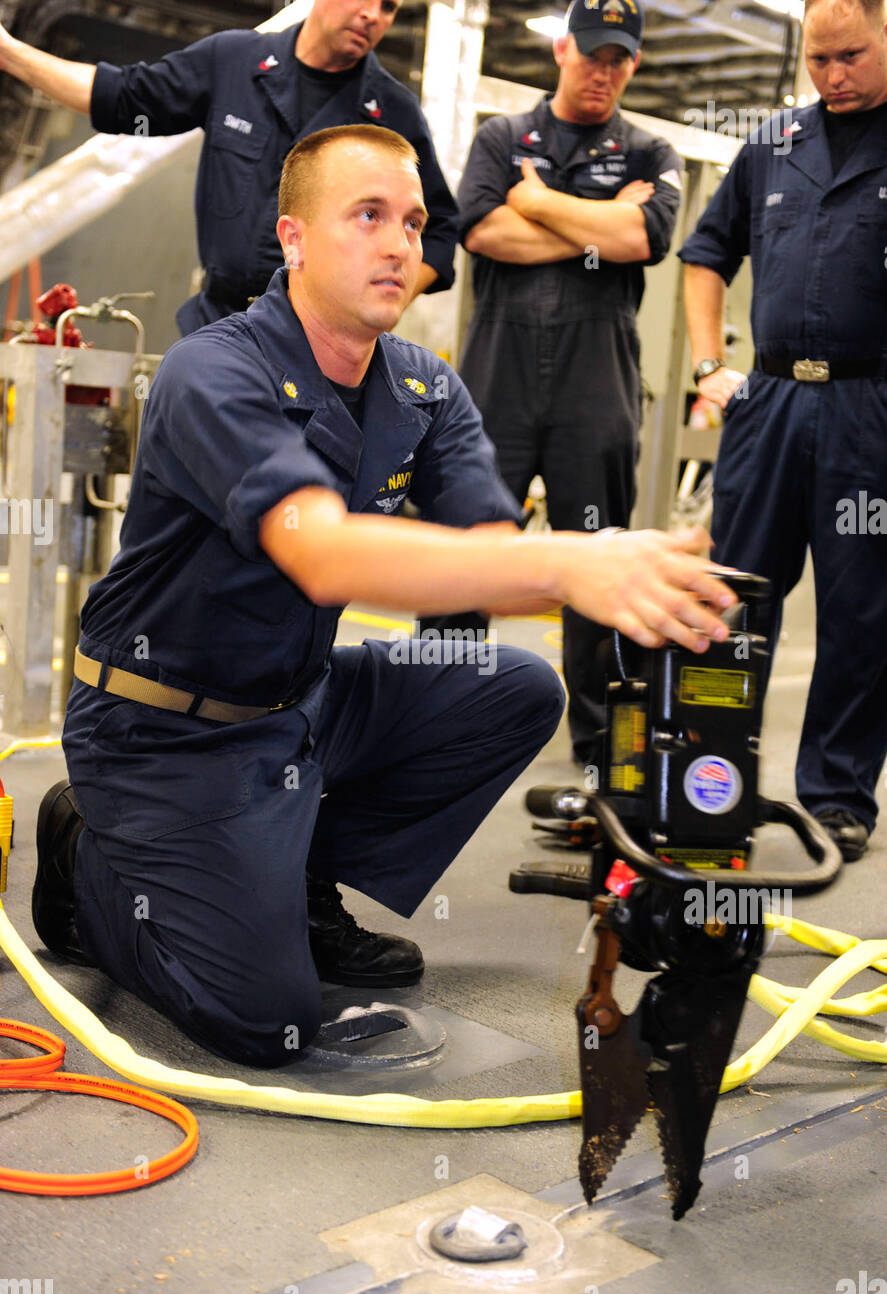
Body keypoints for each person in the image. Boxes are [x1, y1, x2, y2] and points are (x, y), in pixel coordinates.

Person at [32, 125, 736, 1068]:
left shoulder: (420, 386)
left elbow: (489, 551)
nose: (401, 244)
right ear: (292, 238)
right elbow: (320, 555)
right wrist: (573, 567)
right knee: (263, 1019)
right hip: (165, 732)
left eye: (412, 222)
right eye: (367, 216)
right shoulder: (216, 370)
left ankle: (303, 881)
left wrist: (632, 578)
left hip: (299, 701)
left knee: (513, 690)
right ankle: (86, 861)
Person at [680, 0, 887, 862]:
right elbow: (704, 253)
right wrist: (706, 369)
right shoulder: (771, 144)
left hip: (867, 411)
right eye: (817, 58)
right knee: (732, 597)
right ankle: (708, 781)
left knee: (861, 611)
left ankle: (835, 795)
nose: (830, 74)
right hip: (767, 405)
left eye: (850, 56)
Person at [455, 0, 683, 775]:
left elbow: (642, 239)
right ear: (561, 50)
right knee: (465, 558)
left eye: (619, 59)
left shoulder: (651, 150)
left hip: (597, 377)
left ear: (635, 64)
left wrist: (538, 202)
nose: (603, 71)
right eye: (591, 55)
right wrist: (594, 225)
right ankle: (433, 728)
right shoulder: (498, 137)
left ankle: (601, 758)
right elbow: (481, 232)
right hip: (499, 374)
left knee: (599, 563)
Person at [0, 0, 457, 334]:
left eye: (390, 8)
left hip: (324, 347)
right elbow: (121, 99)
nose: (374, 16)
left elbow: (439, 231)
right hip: (219, 325)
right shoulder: (233, 63)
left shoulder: (390, 111)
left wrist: (374, 305)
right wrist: (9, 53)